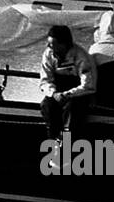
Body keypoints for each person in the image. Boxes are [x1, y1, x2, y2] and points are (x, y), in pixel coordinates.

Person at [39, 25, 97, 156]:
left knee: (72, 110)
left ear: (64, 44)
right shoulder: (48, 54)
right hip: (56, 90)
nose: (50, 47)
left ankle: (68, 143)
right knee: (46, 106)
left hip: (78, 92)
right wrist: (53, 93)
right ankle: (52, 140)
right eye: (49, 44)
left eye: (53, 44)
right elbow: (45, 79)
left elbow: (88, 84)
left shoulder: (81, 56)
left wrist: (67, 95)